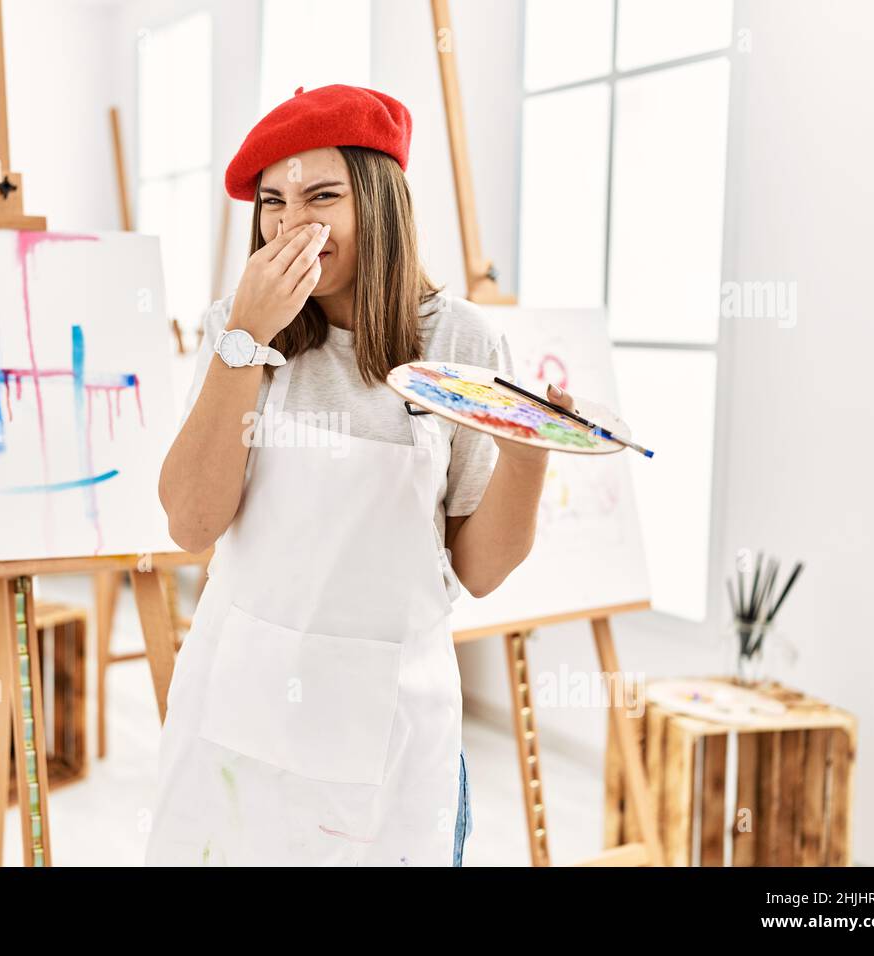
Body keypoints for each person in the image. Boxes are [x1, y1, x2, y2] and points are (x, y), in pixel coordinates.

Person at [146, 84, 573, 866]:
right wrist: (246, 337)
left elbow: (479, 570)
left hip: (390, 729)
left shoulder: (462, 344)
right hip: (239, 709)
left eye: (321, 196)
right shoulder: (238, 326)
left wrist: (528, 455)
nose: (290, 223)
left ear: (379, 199)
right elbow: (190, 523)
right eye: (273, 201)